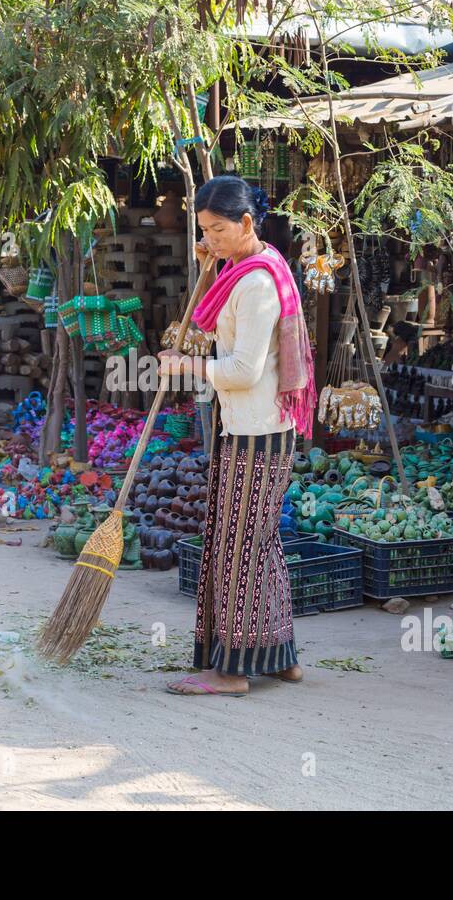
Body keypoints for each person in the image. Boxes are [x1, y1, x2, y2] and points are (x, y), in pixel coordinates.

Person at [157, 175, 316, 697]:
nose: (211, 240)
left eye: (218, 230)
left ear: (247, 223)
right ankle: (280, 656)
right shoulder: (244, 268)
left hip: (256, 432)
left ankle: (231, 670)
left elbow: (245, 369)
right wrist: (209, 263)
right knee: (258, 543)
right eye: (203, 231)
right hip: (255, 429)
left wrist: (187, 366)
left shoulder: (256, 283)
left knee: (238, 548)